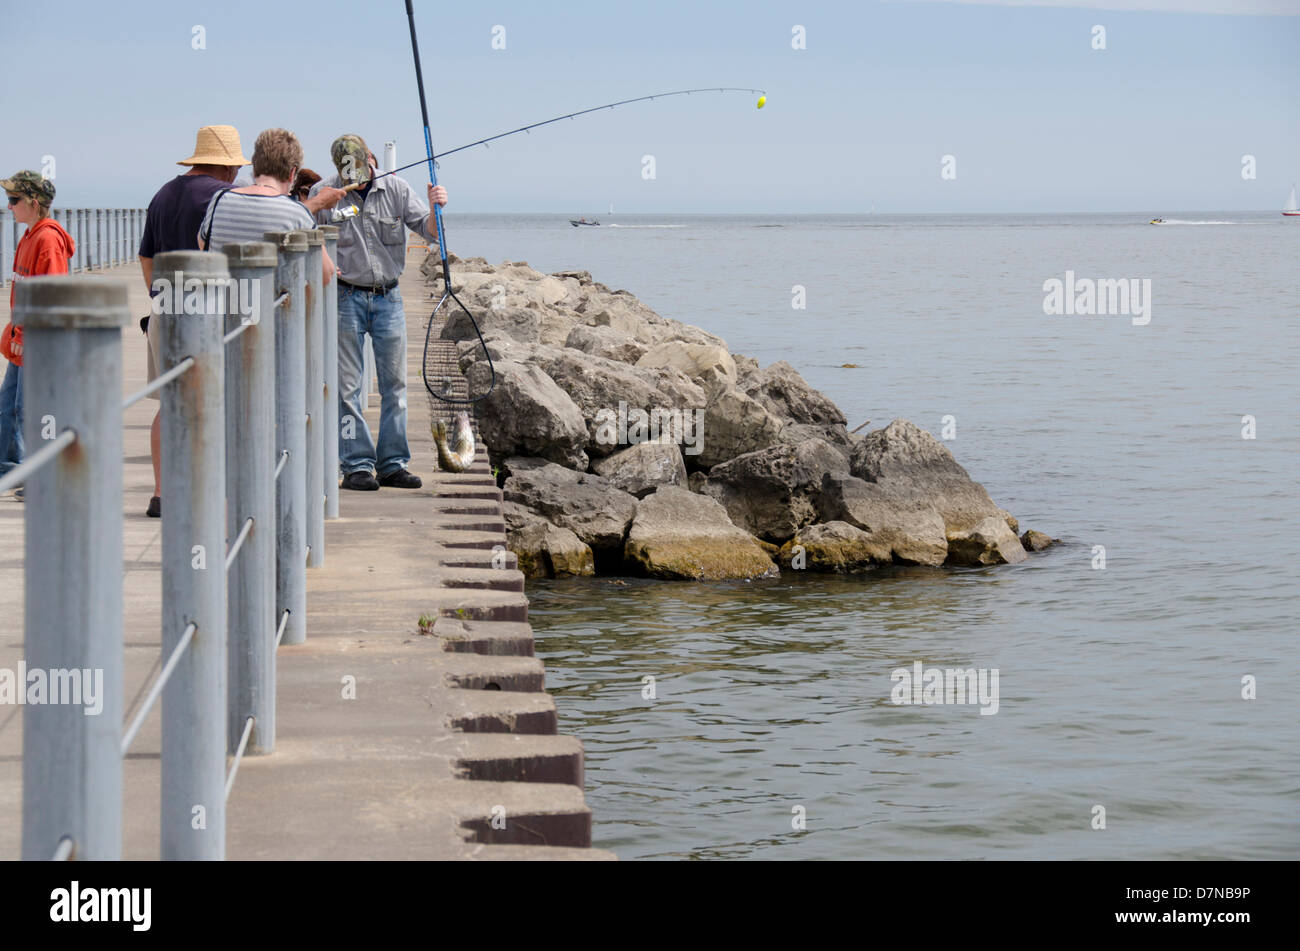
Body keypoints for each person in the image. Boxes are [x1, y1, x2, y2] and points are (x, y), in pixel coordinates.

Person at [308, 134, 447, 491]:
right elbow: (299, 235)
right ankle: (356, 465)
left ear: (371, 158)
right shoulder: (324, 191)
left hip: (389, 296)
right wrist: (317, 208)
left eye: (361, 168)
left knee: (395, 385)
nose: (356, 177)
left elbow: (430, 233)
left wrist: (436, 207)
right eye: (348, 172)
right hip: (344, 297)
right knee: (347, 388)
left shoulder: (397, 189)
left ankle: (392, 464)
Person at [138, 125, 248, 518]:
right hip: (208, 310)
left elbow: (147, 256)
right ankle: (205, 493)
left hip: (164, 309)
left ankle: (162, 494)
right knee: (214, 402)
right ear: (227, 168)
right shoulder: (226, 196)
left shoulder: (162, 194)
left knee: (170, 402)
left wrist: (159, 296)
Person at [0, 171, 76, 501]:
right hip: (22, 340)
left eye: (14, 200)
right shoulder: (28, 236)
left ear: (33, 203)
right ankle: (11, 468)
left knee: (32, 409)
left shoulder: (47, 239)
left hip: (39, 342)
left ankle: (39, 474)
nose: (8, 206)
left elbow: (54, 294)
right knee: (9, 407)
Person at [198, 129, 339, 289]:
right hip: (271, 311)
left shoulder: (219, 200)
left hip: (222, 308)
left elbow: (203, 244)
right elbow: (325, 274)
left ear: (255, 164)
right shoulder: (297, 213)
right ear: (292, 173)